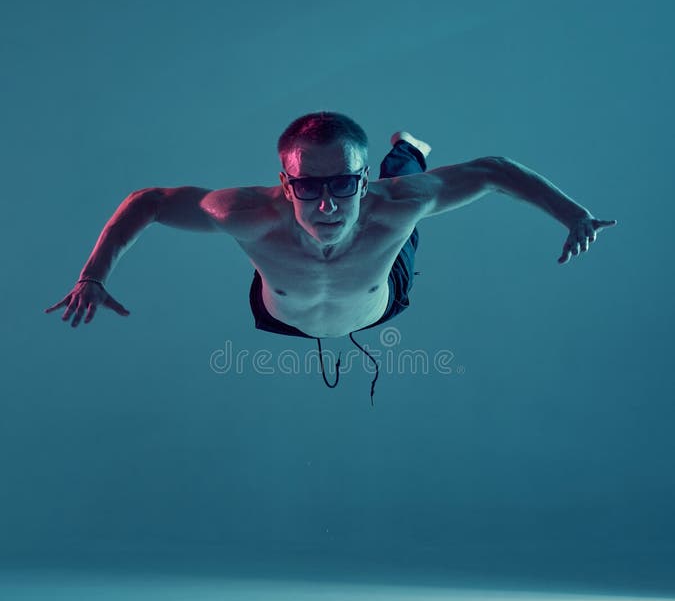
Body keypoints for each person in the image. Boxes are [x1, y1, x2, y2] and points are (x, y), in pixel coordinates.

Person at [45, 111, 617, 403]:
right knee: (393, 206)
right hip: (280, 307)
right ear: (284, 181)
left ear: (358, 179)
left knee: (406, 198)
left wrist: (573, 214)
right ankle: (399, 156)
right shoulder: (243, 212)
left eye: (343, 184)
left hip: (380, 288)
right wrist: (92, 274)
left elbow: (492, 170)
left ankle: (405, 150)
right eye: (307, 187)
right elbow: (149, 202)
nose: (325, 203)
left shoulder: (388, 205)